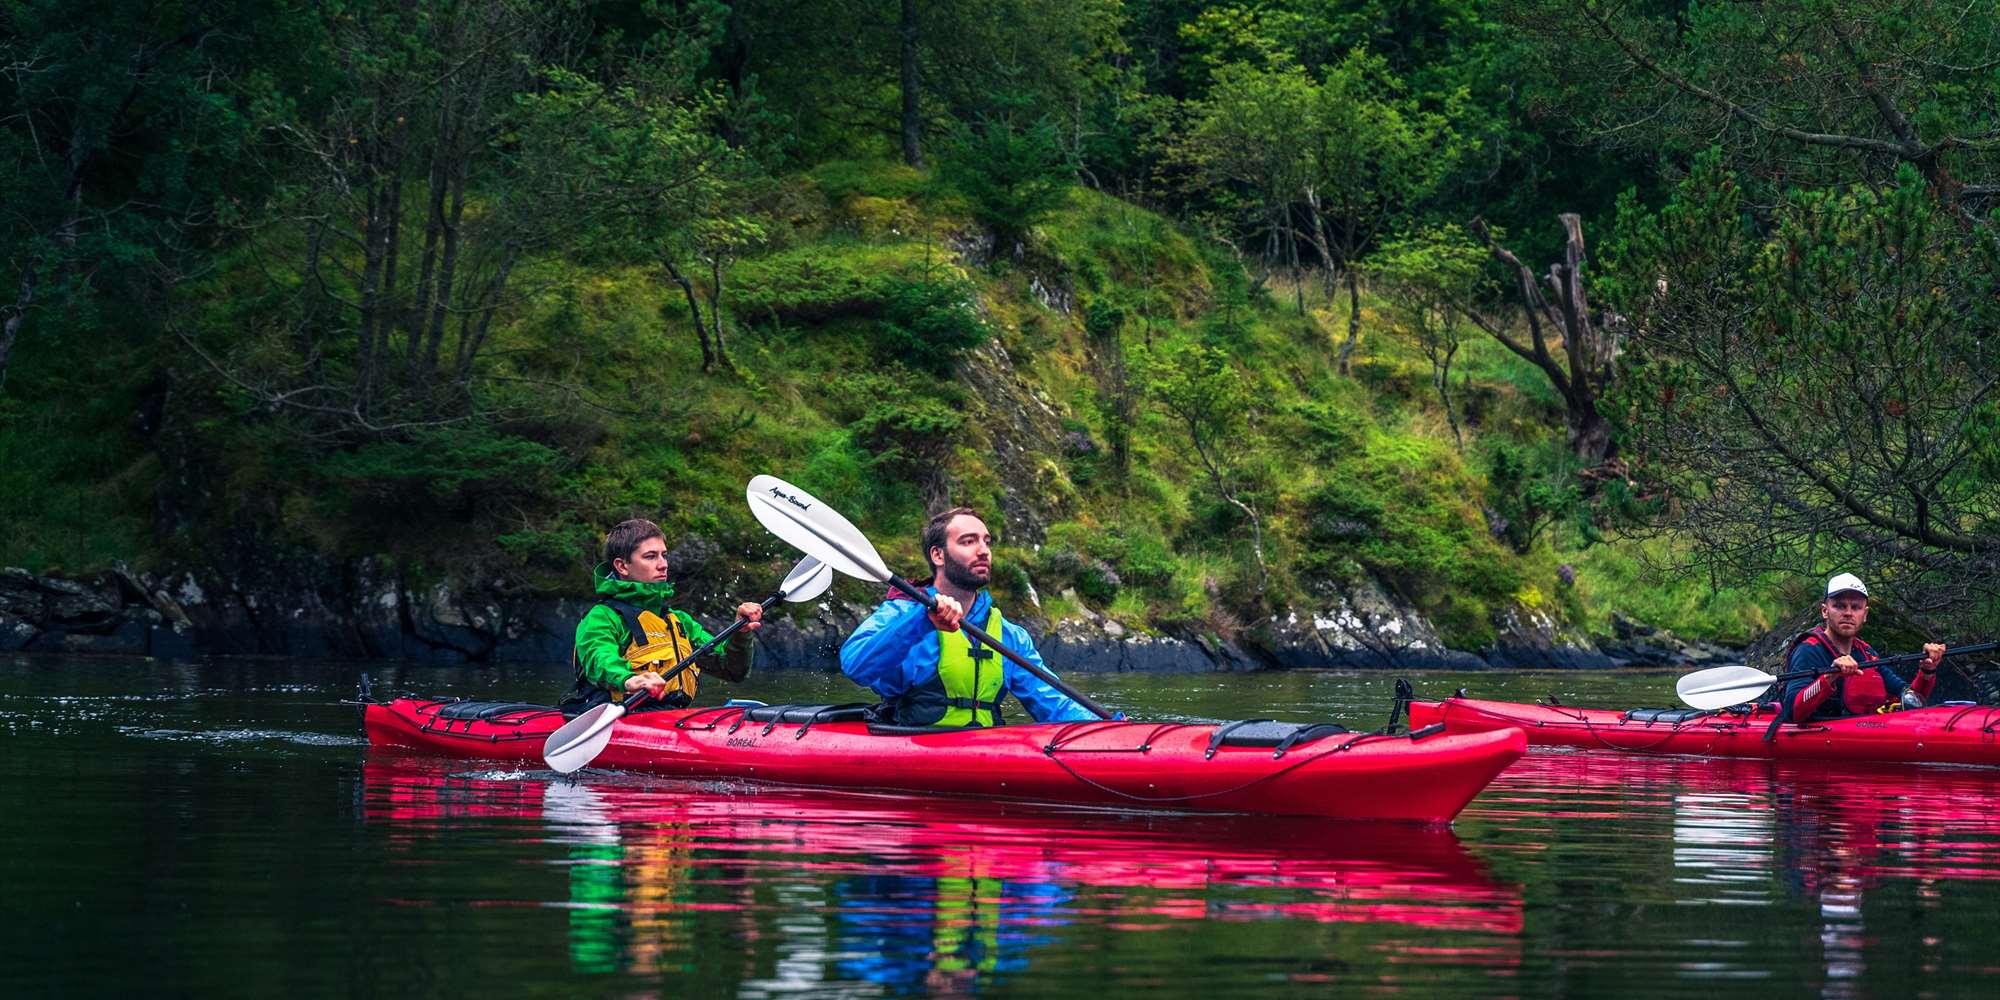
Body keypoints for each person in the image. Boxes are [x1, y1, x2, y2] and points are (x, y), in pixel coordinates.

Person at [840, 506, 1103, 727]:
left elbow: (1053, 702)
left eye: (986, 542)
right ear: (938, 554)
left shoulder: (1009, 635)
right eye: (968, 541)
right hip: (913, 747)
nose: (983, 551)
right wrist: (921, 621)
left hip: (984, 753)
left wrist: (1108, 729)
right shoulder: (903, 612)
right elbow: (855, 665)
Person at [562, 518, 762, 714]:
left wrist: (740, 633)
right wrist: (629, 680)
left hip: (670, 718)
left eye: (663, 555)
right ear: (622, 566)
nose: (663, 564)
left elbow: (733, 670)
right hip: (616, 717)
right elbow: (599, 658)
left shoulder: (680, 622)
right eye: (650, 556)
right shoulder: (603, 617)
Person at [1777, 573, 1944, 721]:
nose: (1848, 613)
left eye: (1855, 607)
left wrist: (1927, 671)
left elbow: (1909, 699)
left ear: (1865, 614)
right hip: (1817, 739)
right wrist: (1829, 677)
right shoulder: (1808, 650)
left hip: (1855, 736)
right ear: (1825, 611)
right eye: (1840, 606)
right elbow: (1793, 711)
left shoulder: (1865, 653)